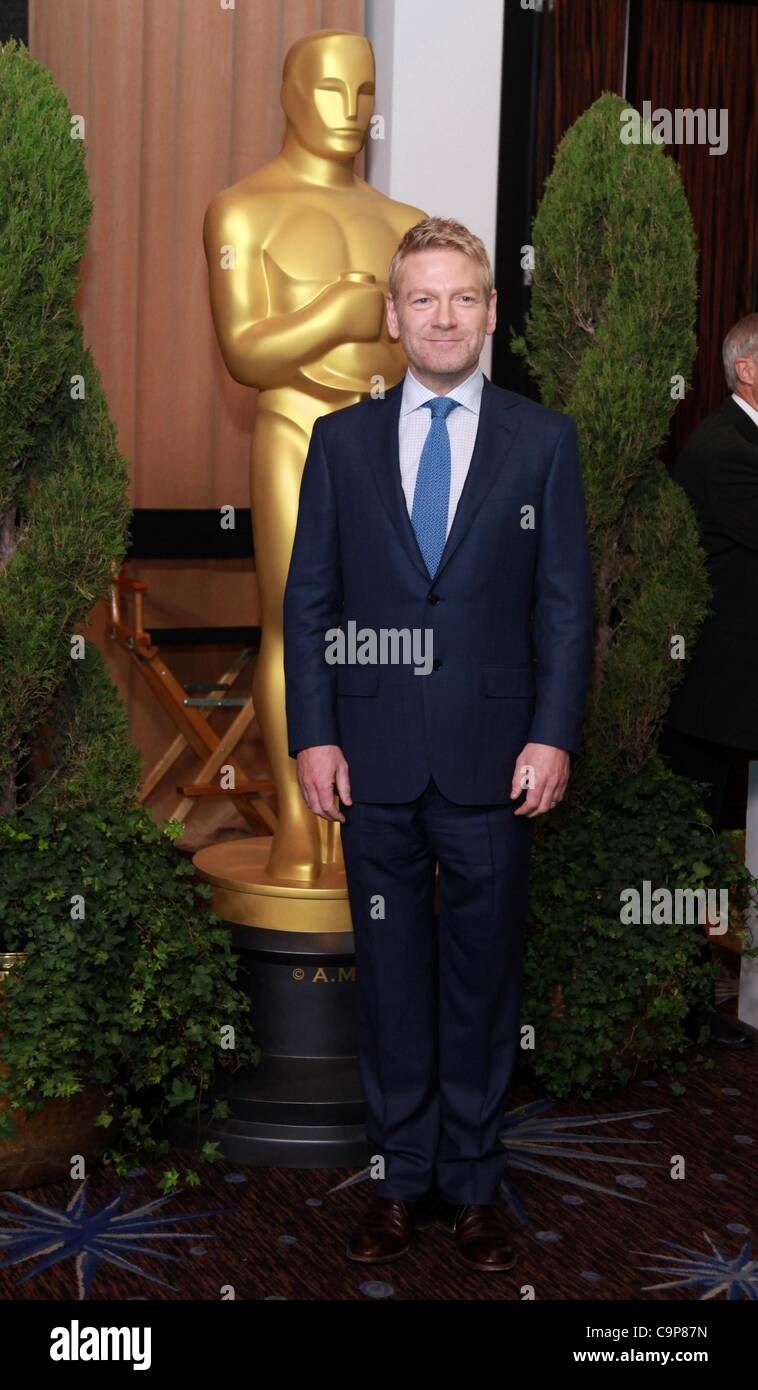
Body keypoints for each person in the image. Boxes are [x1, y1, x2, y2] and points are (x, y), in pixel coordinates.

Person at [283, 217, 594, 1271]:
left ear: (490, 312)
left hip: (491, 762)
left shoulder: (539, 441)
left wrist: (551, 735)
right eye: (423, 299)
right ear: (391, 315)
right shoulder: (340, 441)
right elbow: (310, 600)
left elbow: (562, 607)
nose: (444, 316)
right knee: (389, 979)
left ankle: (472, 1186)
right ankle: (394, 1181)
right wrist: (312, 738)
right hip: (368, 762)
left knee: (478, 983)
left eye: (463, 297)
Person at [660, 312, 758, 1049]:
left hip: (737, 691)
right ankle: (687, 1006)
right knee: (691, 848)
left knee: (713, 843)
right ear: (747, 369)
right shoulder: (725, 446)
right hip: (720, 692)